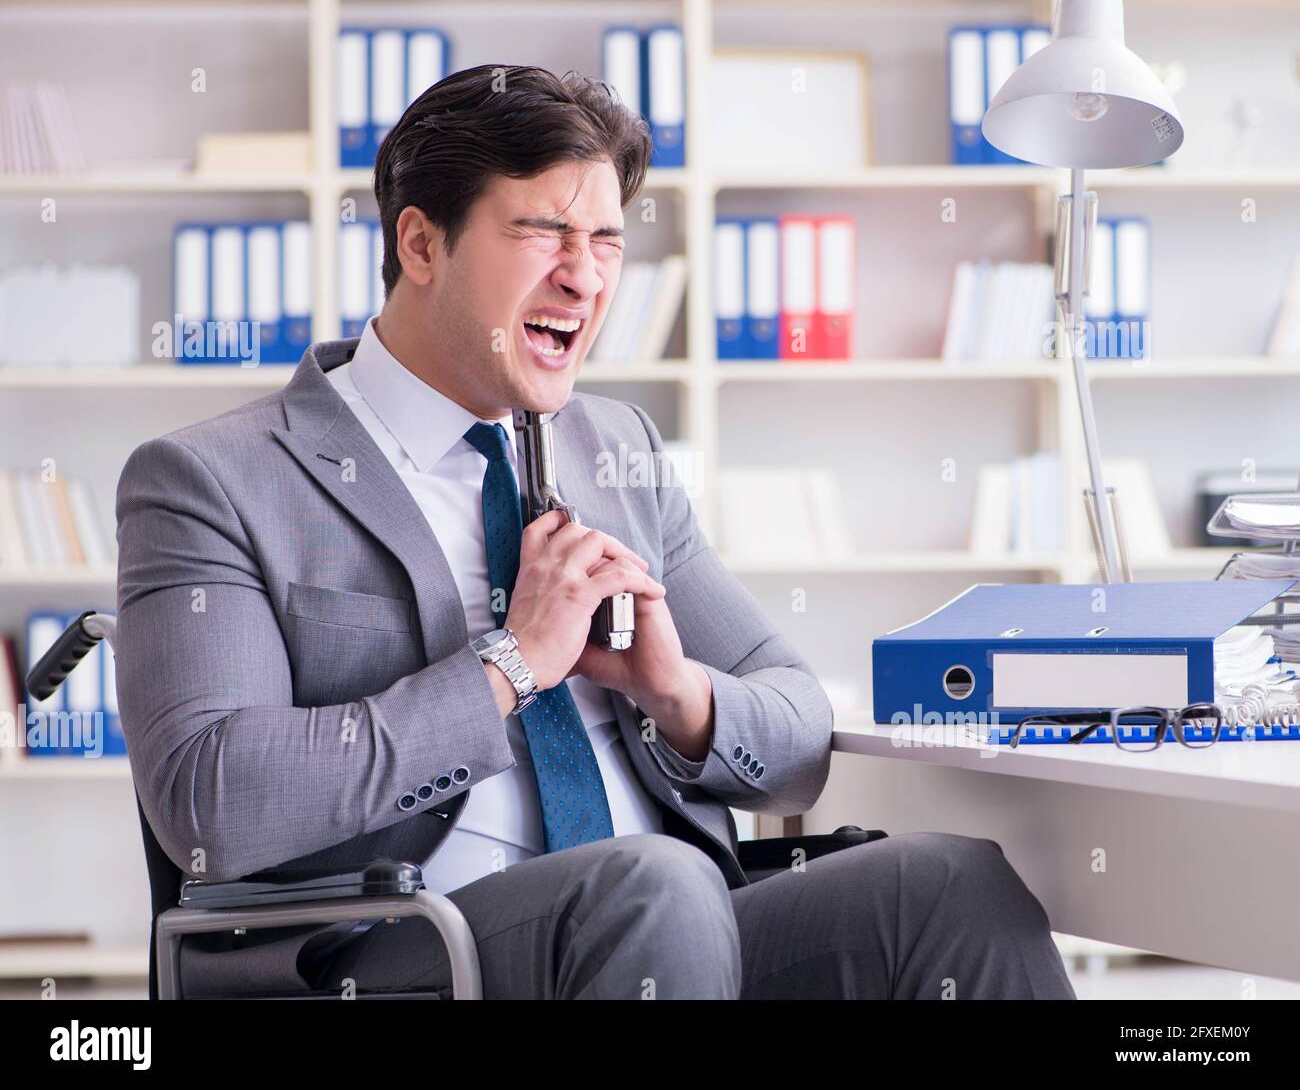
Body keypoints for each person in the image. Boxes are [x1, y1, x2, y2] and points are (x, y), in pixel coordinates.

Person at [115, 64, 1075, 999]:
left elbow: (799, 731)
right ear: (420, 244)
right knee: (652, 884)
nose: (585, 278)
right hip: (402, 950)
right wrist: (511, 663)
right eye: (544, 232)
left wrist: (678, 693)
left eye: (608, 241)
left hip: (677, 920)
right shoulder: (215, 477)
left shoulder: (615, 447)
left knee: (953, 885)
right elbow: (213, 801)